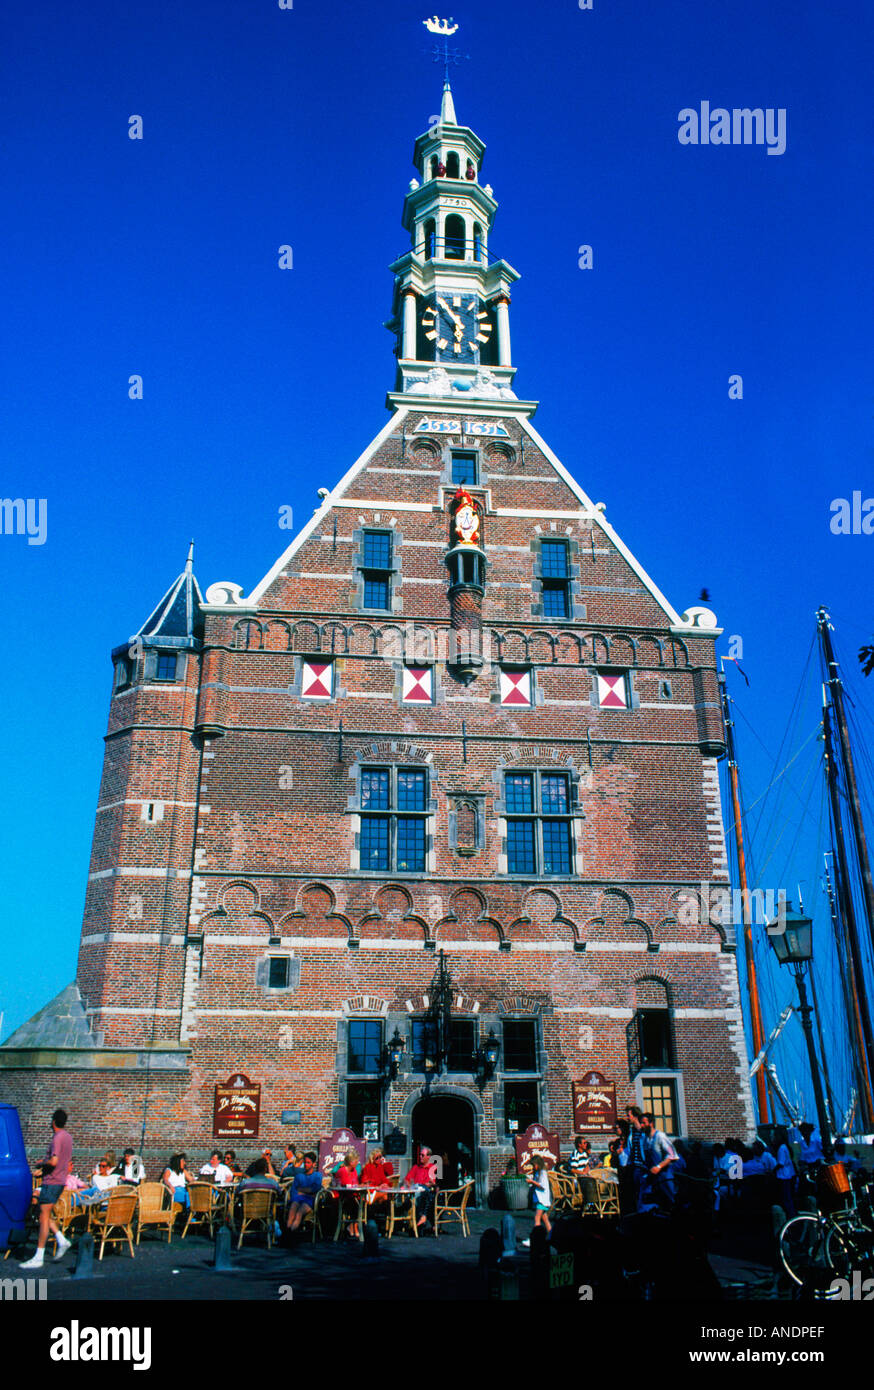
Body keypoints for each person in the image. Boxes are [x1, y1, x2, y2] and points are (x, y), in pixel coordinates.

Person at [20, 1108, 73, 1269]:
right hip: (58, 1180)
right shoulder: (68, 1137)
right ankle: (62, 1240)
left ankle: (39, 1256)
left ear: (53, 1122)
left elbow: (54, 1161)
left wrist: (42, 1163)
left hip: (52, 1182)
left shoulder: (57, 1138)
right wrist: (42, 1171)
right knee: (43, 1213)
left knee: (43, 1217)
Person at [641, 1112, 679, 1211]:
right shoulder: (645, 1139)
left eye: (644, 1123)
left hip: (664, 1176)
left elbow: (672, 1155)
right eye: (641, 1123)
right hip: (652, 1177)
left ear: (651, 1123)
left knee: (671, 1202)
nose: (642, 1126)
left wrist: (659, 1167)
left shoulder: (660, 1136)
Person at [286, 1152, 322, 1235]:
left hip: (310, 1200)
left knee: (299, 1213)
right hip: (298, 1198)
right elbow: (294, 1191)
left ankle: (290, 1234)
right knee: (292, 1210)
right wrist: (307, 1191)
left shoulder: (317, 1175)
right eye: (305, 1162)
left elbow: (315, 1188)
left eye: (308, 1163)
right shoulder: (299, 1176)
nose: (306, 1165)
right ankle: (287, 1233)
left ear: (313, 1164)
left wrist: (301, 1190)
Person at [404, 1145, 438, 1231]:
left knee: (424, 1195)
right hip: (415, 1191)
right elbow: (407, 1179)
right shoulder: (416, 1167)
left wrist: (428, 1184)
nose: (420, 1157)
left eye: (422, 1155)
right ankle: (423, 1219)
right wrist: (408, 1184)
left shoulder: (432, 1168)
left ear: (428, 1157)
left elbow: (431, 1183)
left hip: (424, 1194)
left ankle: (419, 1220)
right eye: (420, 1155)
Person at [521, 1156, 552, 1246]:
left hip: (542, 1200)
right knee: (545, 1218)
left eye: (534, 1165)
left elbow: (542, 1186)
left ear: (538, 1164)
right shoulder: (538, 1173)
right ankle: (551, 1235)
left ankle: (535, 1238)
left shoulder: (542, 1173)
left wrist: (532, 1182)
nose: (533, 1167)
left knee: (537, 1218)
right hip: (540, 1199)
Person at [334, 1149, 363, 1238]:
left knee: (361, 1202)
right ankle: (353, 1226)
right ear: (351, 1162)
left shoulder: (353, 1171)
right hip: (341, 1196)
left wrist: (360, 1185)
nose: (358, 1163)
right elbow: (344, 1185)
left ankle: (353, 1226)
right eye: (356, 1161)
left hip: (351, 1195)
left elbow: (355, 1184)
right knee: (356, 1204)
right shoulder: (342, 1171)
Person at [625, 1106, 650, 1211]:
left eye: (628, 1115)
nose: (627, 1118)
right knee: (636, 1192)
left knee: (643, 1192)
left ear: (635, 1116)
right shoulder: (632, 1131)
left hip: (643, 1166)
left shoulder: (643, 1132)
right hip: (635, 1166)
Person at [773, 1127, 797, 1217]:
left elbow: (781, 1163)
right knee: (789, 1197)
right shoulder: (786, 1147)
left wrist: (773, 1170)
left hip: (784, 1175)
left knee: (786, 1198)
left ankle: (791, 1215)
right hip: (789, 1174)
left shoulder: (781, 1148)